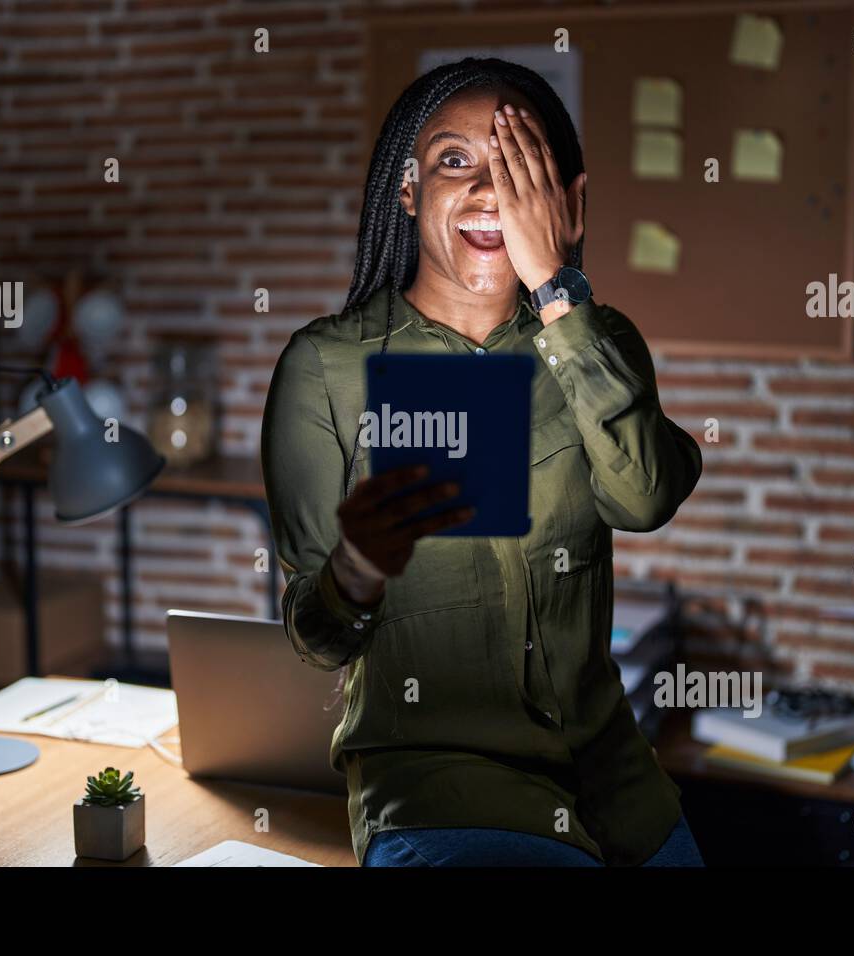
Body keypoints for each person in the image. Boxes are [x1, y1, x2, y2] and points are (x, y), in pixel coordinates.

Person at [261, 57, 704, 867]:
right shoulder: (325, 368)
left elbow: (644, 496)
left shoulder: (598, 344)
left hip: (617, 788)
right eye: (454, 161)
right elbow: (316, 635)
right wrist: (357, 570)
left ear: (568, 202)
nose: (488, 191)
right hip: (441, 791)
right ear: (407, 192)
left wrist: (558, 291)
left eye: (518, 165)